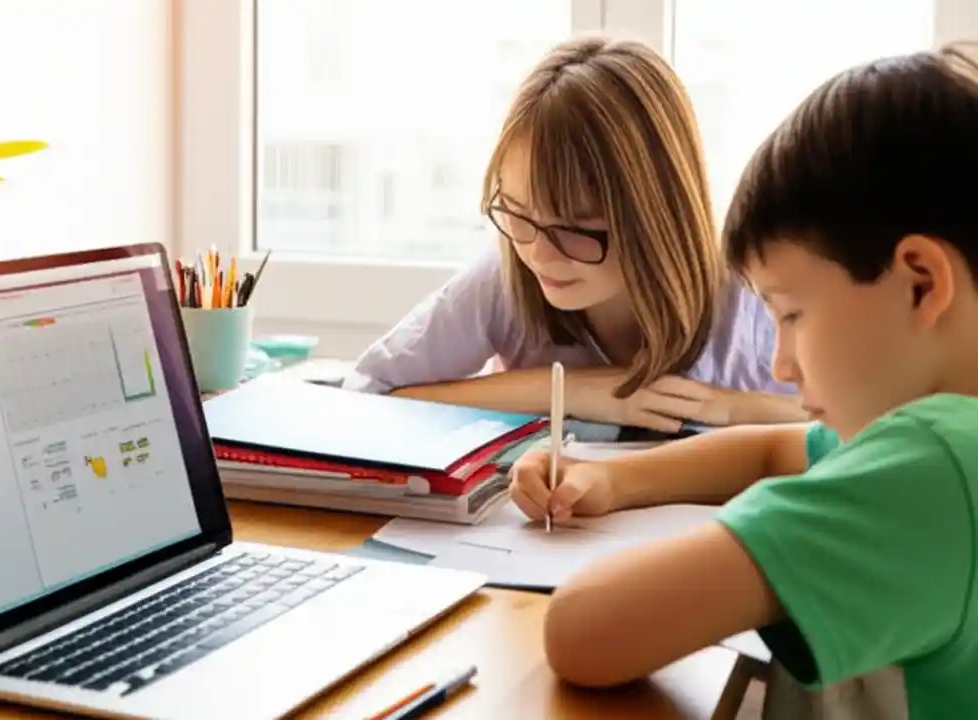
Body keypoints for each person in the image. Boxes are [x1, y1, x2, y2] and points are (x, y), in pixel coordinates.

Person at [510, 42, 978, 718]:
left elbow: (583, 630)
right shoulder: (947, 433)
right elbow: (771, 450)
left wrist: (760, 539)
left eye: (791, 314)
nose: (781, 364)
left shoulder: (929, 468)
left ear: (921, 284)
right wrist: (609, 479)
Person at [341, 37, 804, 433]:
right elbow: (365, 393)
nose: (539, 254)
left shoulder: (755, 294)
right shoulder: (506, 272)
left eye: (576, 228)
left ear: (658, 217)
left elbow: (849, 425)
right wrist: (564, 390)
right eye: (517, 211)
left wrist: (734, 409)